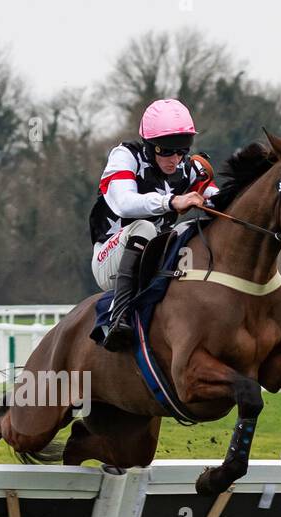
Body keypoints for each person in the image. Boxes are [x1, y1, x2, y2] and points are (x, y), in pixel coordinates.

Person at [88, 98, 219, 352]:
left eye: (181, 151)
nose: (174, 159)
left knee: (186, 232)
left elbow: (215, 198)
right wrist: (171, 201)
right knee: (145, 229)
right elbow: (125, 203)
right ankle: (119, 315)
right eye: (165, 151)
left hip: (153, 259)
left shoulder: (186, 168)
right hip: (109, 258)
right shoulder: (125, 157)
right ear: (149, 146)